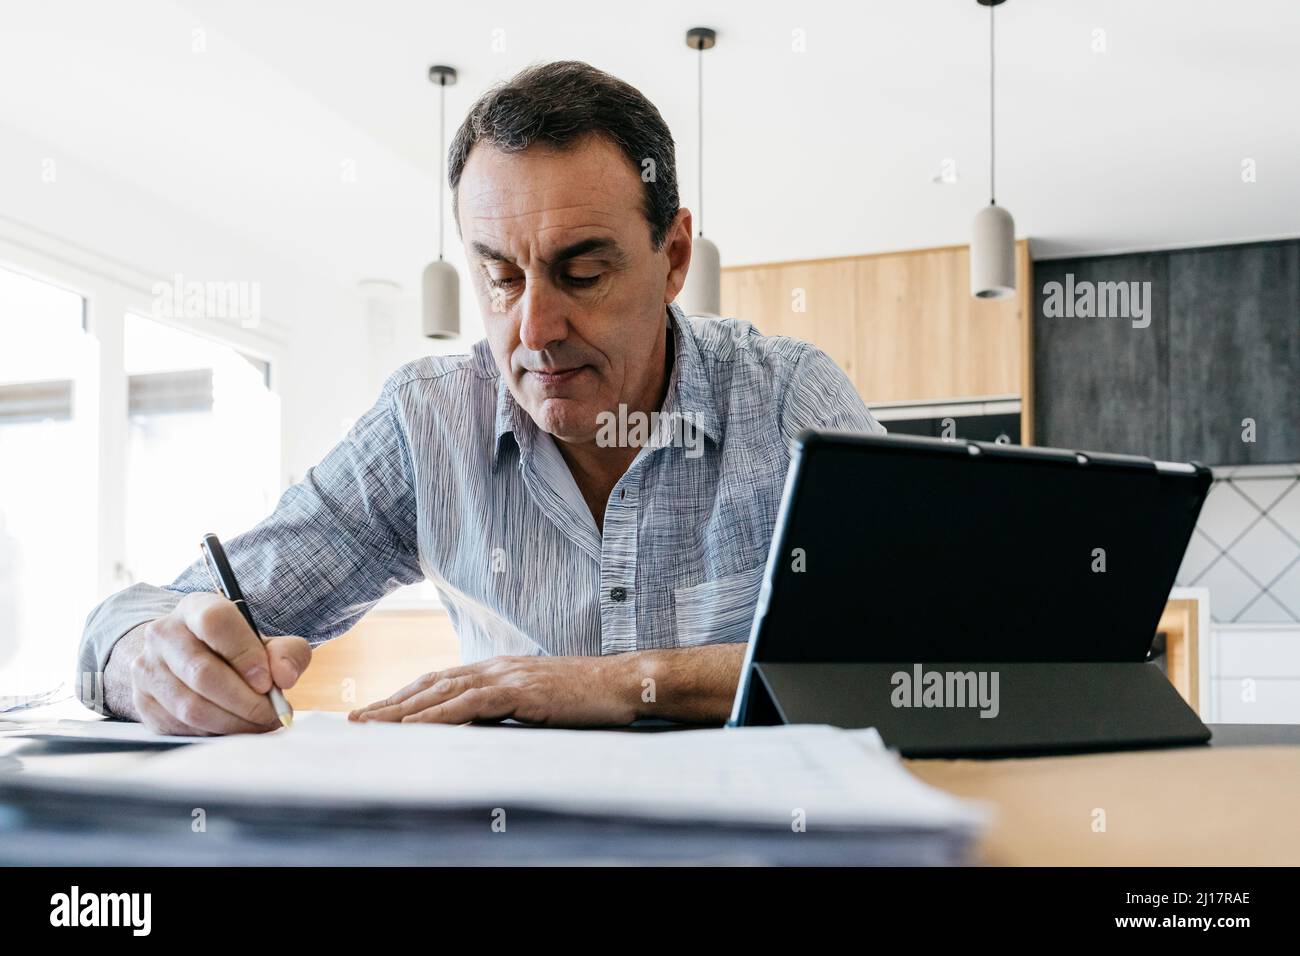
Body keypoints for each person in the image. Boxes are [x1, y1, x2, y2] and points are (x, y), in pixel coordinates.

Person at [78, 60, 883, 735]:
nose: (533, 328)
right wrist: (146, 658)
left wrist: (613, 682)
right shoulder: (428, 421)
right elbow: (158, 610)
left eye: (583, 272)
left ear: (673, 256)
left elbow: (924, 658)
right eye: (500, 276)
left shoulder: (784, 397)